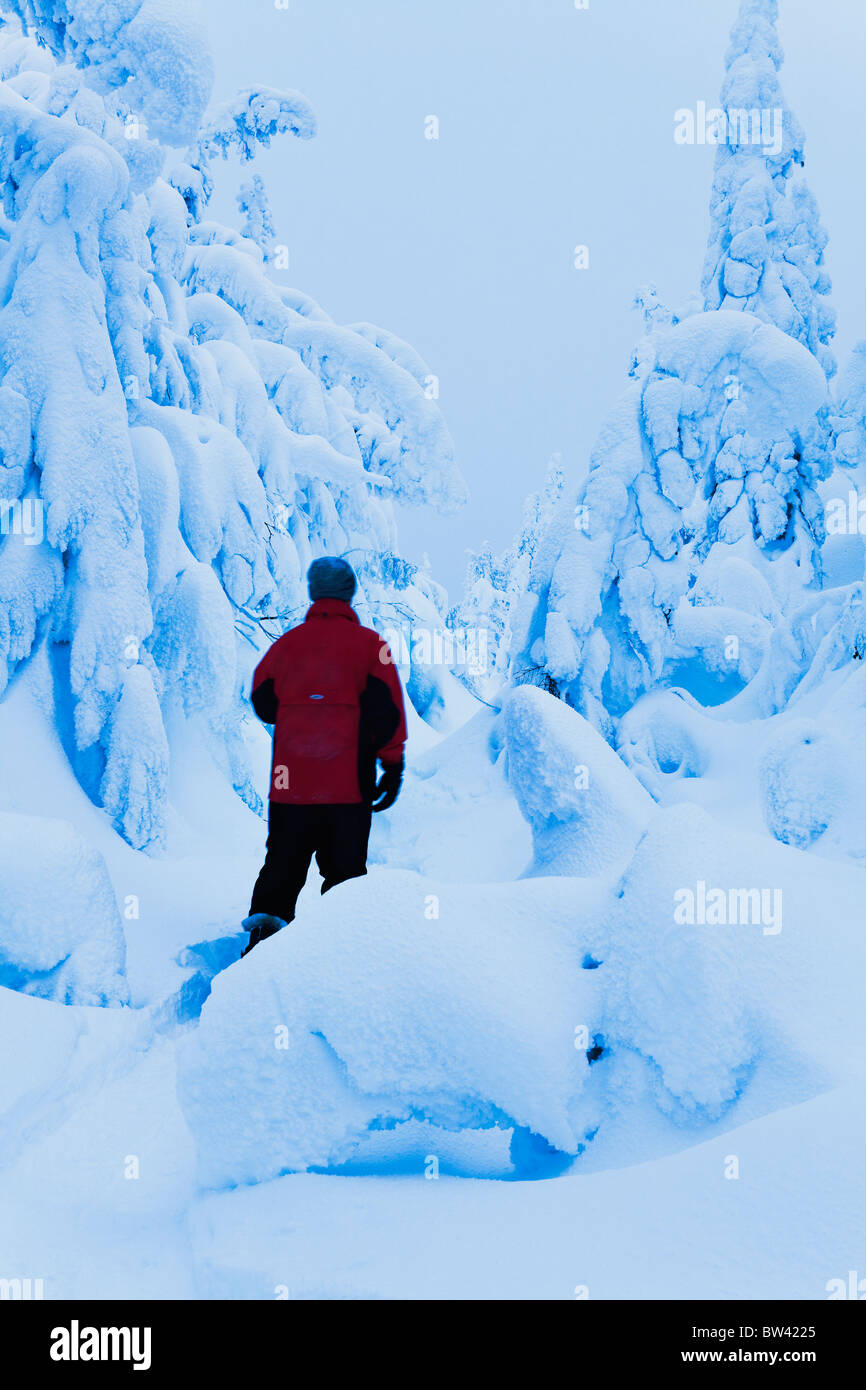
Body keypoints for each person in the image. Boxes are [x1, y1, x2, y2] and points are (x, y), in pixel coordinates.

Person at [242, 557, 407, 956]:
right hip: (347, 788)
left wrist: (299, 711)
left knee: (281, 866)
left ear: (314, 592)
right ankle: (342, 956)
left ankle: (264, 945)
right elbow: (388, 711)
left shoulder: (286, 646)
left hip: (289, 787)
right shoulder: (372, 647)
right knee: (345, 874)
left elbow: (262, 701)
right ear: (349, 592)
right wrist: (392, 765)